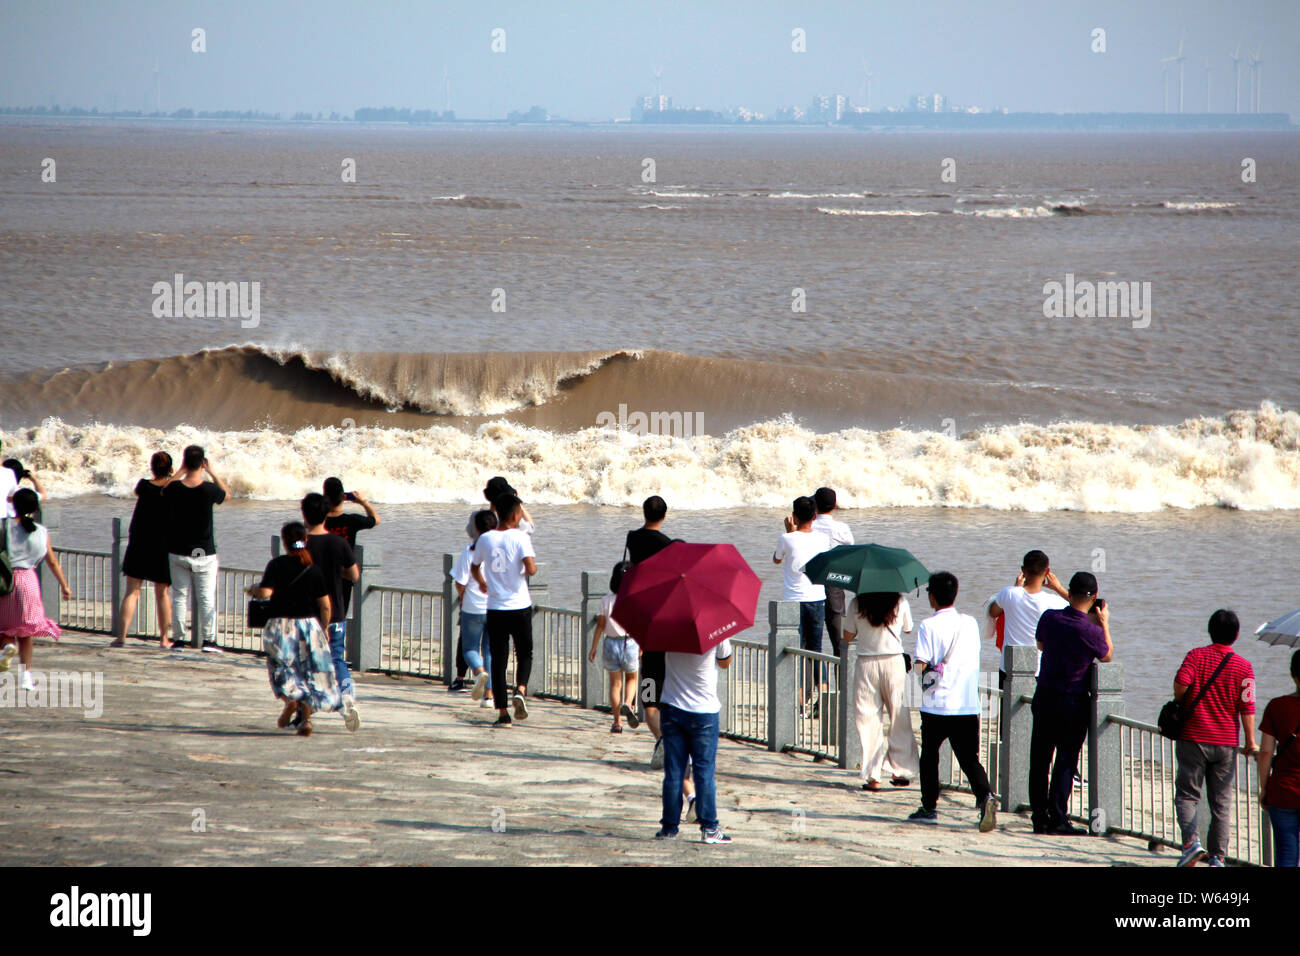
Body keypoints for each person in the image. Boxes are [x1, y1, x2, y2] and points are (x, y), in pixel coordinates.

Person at [908, 571, 997, 832]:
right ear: (955, 594)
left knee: (929, 756)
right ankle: (986, 796)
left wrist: (916, 666)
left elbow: (921, 664)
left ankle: (929, 807)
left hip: (936, 704)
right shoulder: (969, 623)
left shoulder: (928, 625)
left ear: (932, 597)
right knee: (969, 759)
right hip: (967, 704)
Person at [1028, 572, 1114, 836]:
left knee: (1040, 759)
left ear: (1070, 591)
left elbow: (1040, 644)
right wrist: (1104, 624)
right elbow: (1107, 655)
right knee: (1066, 760)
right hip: (1072, 702)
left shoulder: (1050, 617)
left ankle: (1039, 816)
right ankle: (1058, 816)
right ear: (1093, 598)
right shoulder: (1089, 630)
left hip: (1044, 695)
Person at [1172, 609, 1257, 867]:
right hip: (1227, 743)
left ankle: (1191, 844)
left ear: (1210, 631)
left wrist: (1181, 701)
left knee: (1187, 795)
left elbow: (1180, 683)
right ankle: (1218, 857)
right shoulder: (1244, 666)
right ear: (1237, 634)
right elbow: (1248, 707)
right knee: (1221, 802)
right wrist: (1251, 741)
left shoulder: (1196, 656)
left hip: (1193, 737)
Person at [248, 522, 339, 736]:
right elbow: (325, 605)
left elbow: (266, 594)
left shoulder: (276, 565)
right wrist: (324, 628)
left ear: (284, 542)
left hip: (281, 626)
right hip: (309, 626)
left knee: (281, 668)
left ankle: (290, 699)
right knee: (308, 671)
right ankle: (306, 721)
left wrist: (254, 590)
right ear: (305, 540)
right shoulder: (313, 569)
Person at [655, 635, 734, 844]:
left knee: (674, 772)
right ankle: (709, 827)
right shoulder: (716, 627)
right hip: (704, 711)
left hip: (672, 706)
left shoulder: (669, 626)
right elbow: (725, 662)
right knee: (704, 772)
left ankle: (669, 828)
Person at [472, 493, 537, 727]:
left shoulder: (486, 539)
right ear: (516, 514)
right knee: (525, 652)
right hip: (519, 605)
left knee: (499, 660)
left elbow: (474, 566)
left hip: (495, 607)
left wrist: (481, 581)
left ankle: (502, 713)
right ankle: (520, 689)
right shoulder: (520, 537)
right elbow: (531, 569)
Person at [843, 591, 919, 791]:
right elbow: (908, 628)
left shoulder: (856, 603)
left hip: (866, 663)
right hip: (894, 663)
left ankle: (873, 775)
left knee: (868, 719)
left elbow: (847, 635)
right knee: (899, 717)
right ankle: (900, 770)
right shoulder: (900, 601)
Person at [0, 489, 72, 690]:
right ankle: (26, 676)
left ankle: (6, 648)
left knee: (5, 627)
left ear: (14, 505)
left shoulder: (4, 525)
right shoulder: (41, 531)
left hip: (6, 580)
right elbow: (52, 561)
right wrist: (64, 585)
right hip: (29, 581)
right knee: (25, 631)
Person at [302, 492, 361, 732]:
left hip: (307, 614)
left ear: (304, 515)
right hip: (336, 611)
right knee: (337, 658)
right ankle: (347, 695)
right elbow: (354, 575)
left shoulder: (302, 543)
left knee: (306, 662)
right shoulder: (340, 543)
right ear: (326, 514)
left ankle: (306, 712)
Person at [162, 445, 228, 652]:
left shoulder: (175, 488)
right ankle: (209, 641)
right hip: (203, 553)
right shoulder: (209, 489)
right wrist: (213, 472)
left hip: (178, 550)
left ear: (185, 462)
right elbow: (226, 494)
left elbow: (164, 489)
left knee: (180, 596)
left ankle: (179, 640)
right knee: (206, 597)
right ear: (202, 463)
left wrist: (180, 471)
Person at [625, 495, 674, 767]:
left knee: (648, 697)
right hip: (665, 622)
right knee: (667, 694)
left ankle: (662, 739)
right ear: (665, 515)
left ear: (643, 512)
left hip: (645, 621)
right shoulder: (668, 546)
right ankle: (669, 741)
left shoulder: (633, 538)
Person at [774, 496, 831, 711]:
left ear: (794, 516)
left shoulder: (786, 538)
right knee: (815, 649)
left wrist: (789, 532)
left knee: (794, 650)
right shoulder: (823, 538)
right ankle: (824, 696)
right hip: (817, 598)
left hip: (792, 600)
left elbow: (777, 559)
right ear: (815, 516)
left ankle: (798, 702)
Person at [112, 451, 174, 648]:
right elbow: (171, 484)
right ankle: (164, 638)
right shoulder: (171, 489)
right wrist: (175, 473)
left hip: (139, 543)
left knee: (132, 591)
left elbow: (145, 489)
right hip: (162, 546)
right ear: (171, 469)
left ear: (152, 467)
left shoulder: (143, 485)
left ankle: (121, 636)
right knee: (162, 593)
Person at [987, 550, 1069, 686]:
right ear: (1047, 571)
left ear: (1023, 570)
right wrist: (1058, 588)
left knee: (1006, 706)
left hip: (1008, 666)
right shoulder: (1053, 602)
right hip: (1038, 668)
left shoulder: (1009, 594)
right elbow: (1080, 607)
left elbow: (993, 612)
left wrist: (1016, 587)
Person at [1258, 650, 1300, 868]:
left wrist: (1264, 787)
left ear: (1293, 675)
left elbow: (1265, 751)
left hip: (1283, 790)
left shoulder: (1277, 706)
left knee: (1286, 853)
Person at [588, 562, 642, 734]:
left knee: (614, 684)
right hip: (630, 642)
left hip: (610, 642)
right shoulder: (634, 599)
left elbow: (600, 626)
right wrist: (642, 645)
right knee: (632, 679)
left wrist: (593, 647)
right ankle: (628, 703)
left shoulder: (606, 600)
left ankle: (617, 722)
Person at [451, 509, 496, 705]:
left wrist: (462, 597)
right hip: (495, 607)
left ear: (476, 529)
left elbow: (460, 582)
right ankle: (489, 695)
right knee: (490, 651)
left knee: (469, 649)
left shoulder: (470, 551)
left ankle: (479, 672)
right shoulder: (499, 551)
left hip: (473, 607)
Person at [812, 487, 854, 656]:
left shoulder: (810, 526)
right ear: (835, 504)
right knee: (838, 636)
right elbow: (850, 546)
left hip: (811, 580)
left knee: (811, 638)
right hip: (834, 579)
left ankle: (815, 680)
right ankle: (842, 676)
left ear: (815, 504)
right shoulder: (841, 527)